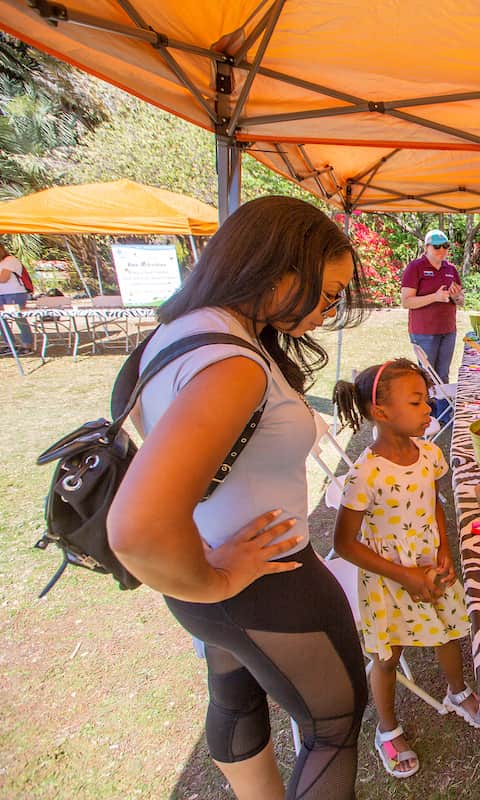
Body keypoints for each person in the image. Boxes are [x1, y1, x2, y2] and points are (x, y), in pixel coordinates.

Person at [107, 196, 368, 799]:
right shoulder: (233, 364)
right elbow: (138, 527)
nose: (331, 312)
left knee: (233, 696)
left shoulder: (181, 332)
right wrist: (217, 580)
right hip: (262, 582)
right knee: (332, 726)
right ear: (279, 270)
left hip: (207, 580)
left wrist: (204, 582)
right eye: (328, 294)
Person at [331, 358, 480, 779]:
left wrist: (445, 550)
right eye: (416, 402)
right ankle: (387, 729)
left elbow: (433, 501)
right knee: (387, 656)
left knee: (448, 630)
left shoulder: (429, 453)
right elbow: (343, 544)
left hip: (429, 566)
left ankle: (457, 691)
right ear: (381, 412)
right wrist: (404, 575)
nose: (428, 409)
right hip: (389, 580)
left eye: (426, 400)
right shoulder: (365, 473)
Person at [401, 230, 464, 419]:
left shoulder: (450, 269)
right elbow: (407, 301)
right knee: (427, 377)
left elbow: (460, 300)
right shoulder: (415, 267)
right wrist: (435, 297)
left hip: (448, 329)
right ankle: (426, 414)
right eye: (436, 246)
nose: (441, 250)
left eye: (445, 246)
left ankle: (444, 415)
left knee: (443, 374)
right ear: (426, 247)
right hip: (424, 331)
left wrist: (455, 296)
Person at [0, 243, 34, 354]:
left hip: (14, 293)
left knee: (19, 318)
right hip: (1, 294)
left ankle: (27, 344)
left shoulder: (10, 260)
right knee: (1, 320)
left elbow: (4, 278)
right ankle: (9, 343)